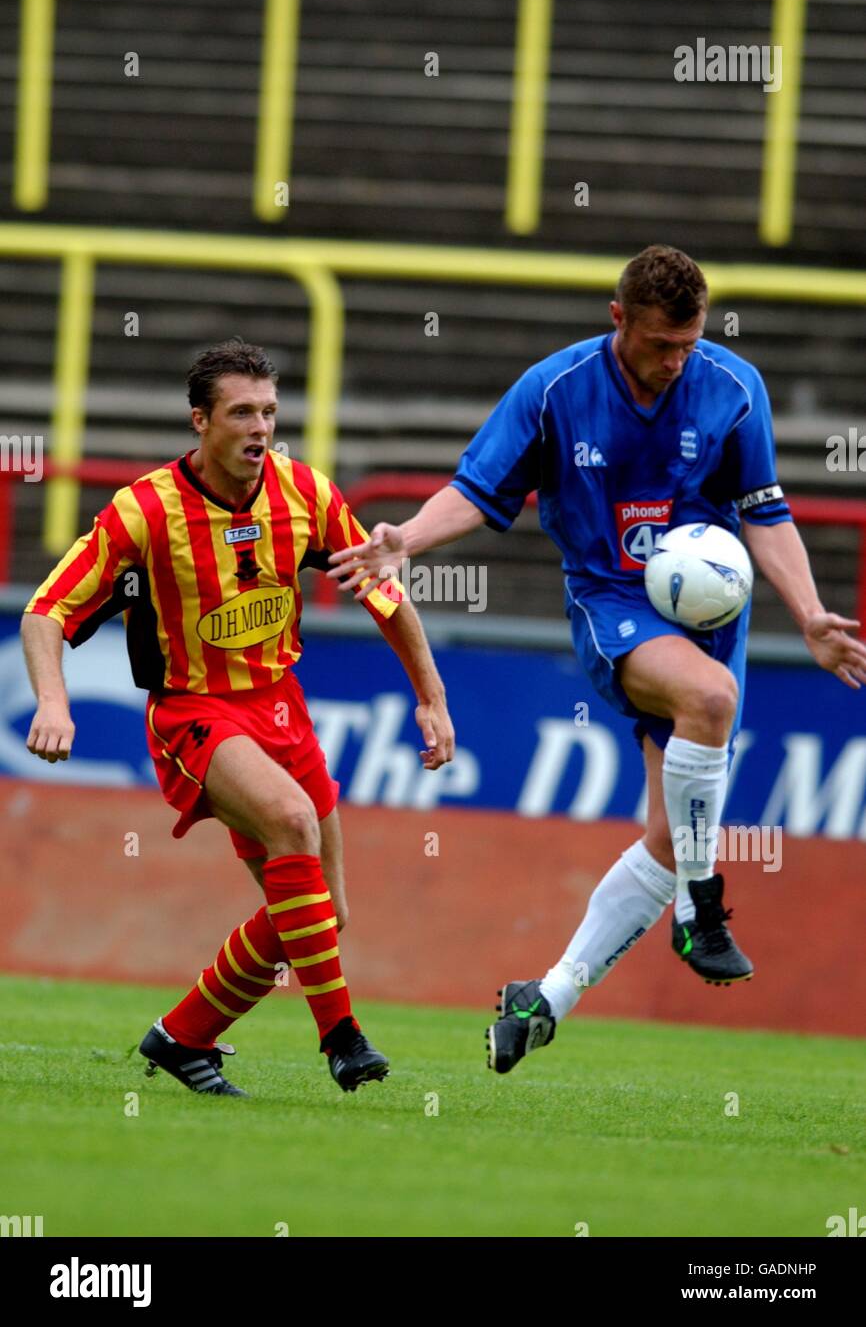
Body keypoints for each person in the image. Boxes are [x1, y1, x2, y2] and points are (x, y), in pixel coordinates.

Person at [328, 244, 866, 1075]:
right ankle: (703, 902)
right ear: (619, 320)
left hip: (711, 612)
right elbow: (478, 488)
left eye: (687, 344)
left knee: (664, 832)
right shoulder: (556, 391)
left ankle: (543, 1000)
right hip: (612, 603)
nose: (675, 360)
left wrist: (809, 616)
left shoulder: (732, 387)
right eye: (659, 344)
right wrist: (407, 540)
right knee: (712, 702)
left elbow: (764, 510)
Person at [22, 338, 454, 1095]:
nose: (261, 428)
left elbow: (384, 592)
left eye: (270, 412)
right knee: (290, 820)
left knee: (324, 913)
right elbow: (46, 611)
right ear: (201, 421)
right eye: (243, 413)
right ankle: (342, 1037)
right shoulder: (145, 510)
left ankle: (181, 1037)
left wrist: (431, 697)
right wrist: (53, 701)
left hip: (282, 708)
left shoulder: (304, 493)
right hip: (193, 713)